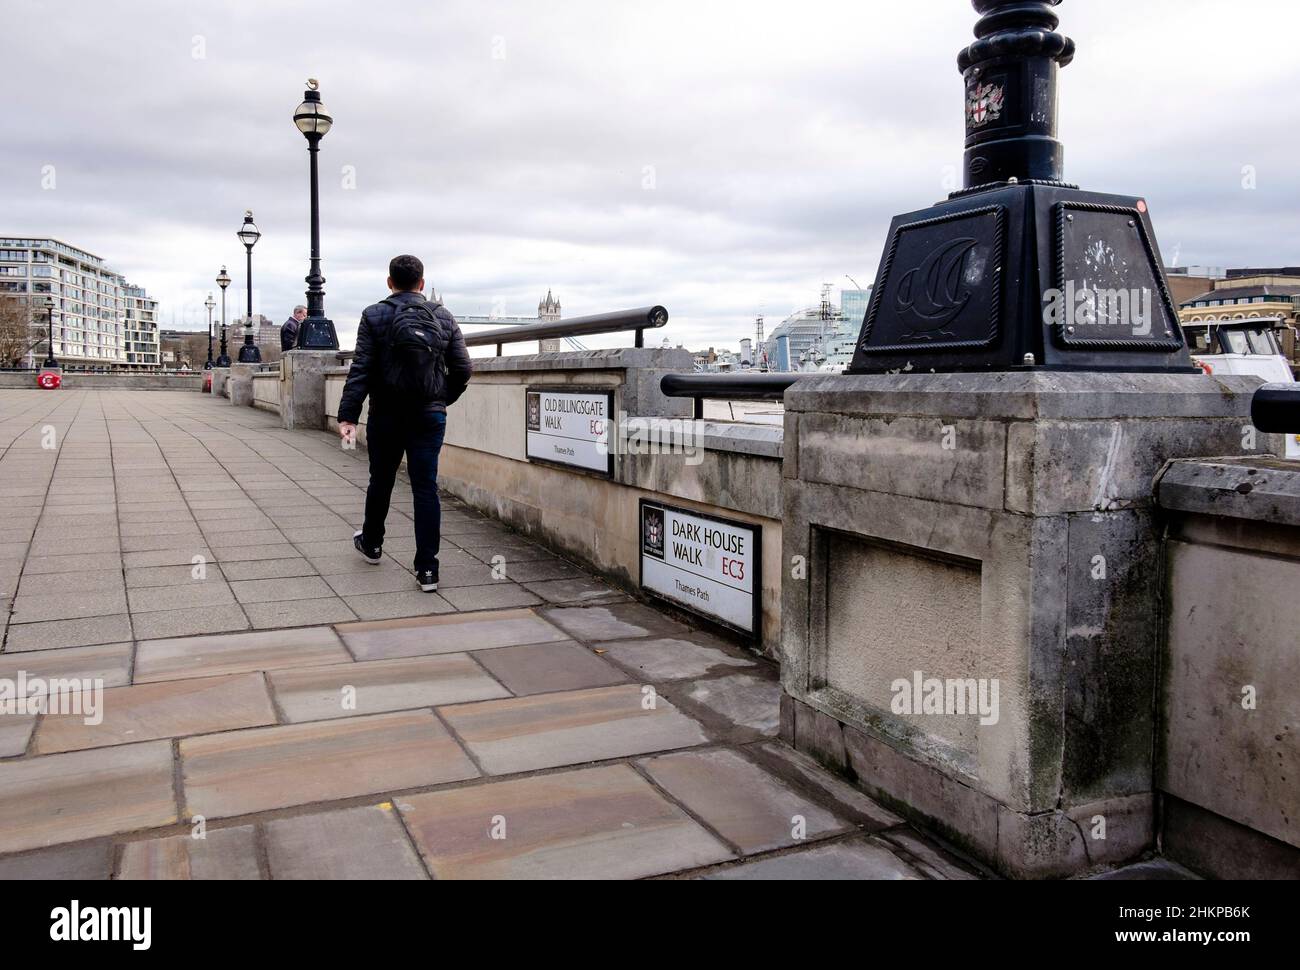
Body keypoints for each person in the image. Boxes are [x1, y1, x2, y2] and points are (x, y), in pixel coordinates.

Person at [337, 255, 472, 591]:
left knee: (380, 479)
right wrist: (440, 398)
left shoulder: (373, 315)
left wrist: (348, 415)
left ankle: (372, 543)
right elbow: (463, 368)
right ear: (422, 283)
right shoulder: (443, 316)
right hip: (429, 415)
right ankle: (428, 570)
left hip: (386, 413)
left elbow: (362, 369)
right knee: (425, 487)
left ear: (389, 282)